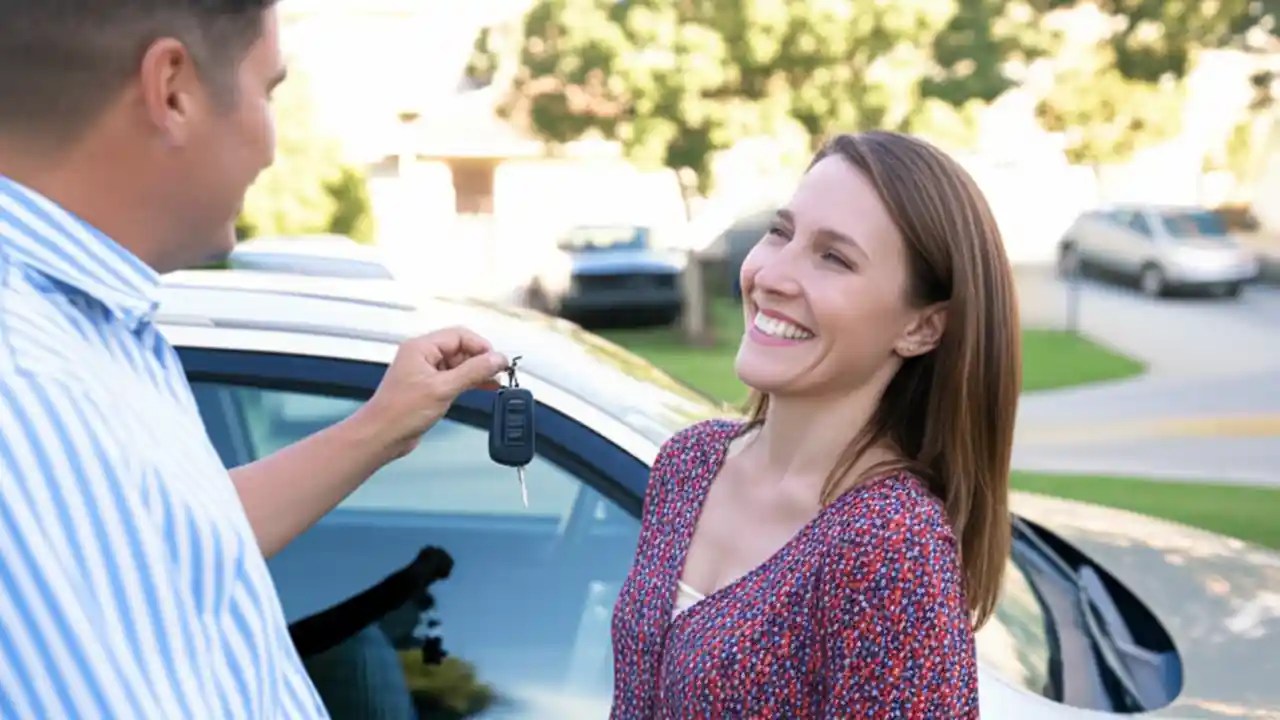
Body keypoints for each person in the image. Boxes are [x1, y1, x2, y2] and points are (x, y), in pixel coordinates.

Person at [0, 2, 506, 718]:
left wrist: (385, 425)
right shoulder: (26, 387)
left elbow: (169, 547)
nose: (272, 147)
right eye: (269, 91)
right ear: (172, 90)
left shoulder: (87, 331)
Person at [610, 131, 1021, 718]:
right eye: (781, 233)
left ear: (923, 328)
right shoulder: (689, 463)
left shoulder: (890, 546)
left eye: (835, 257)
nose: (772, 275)